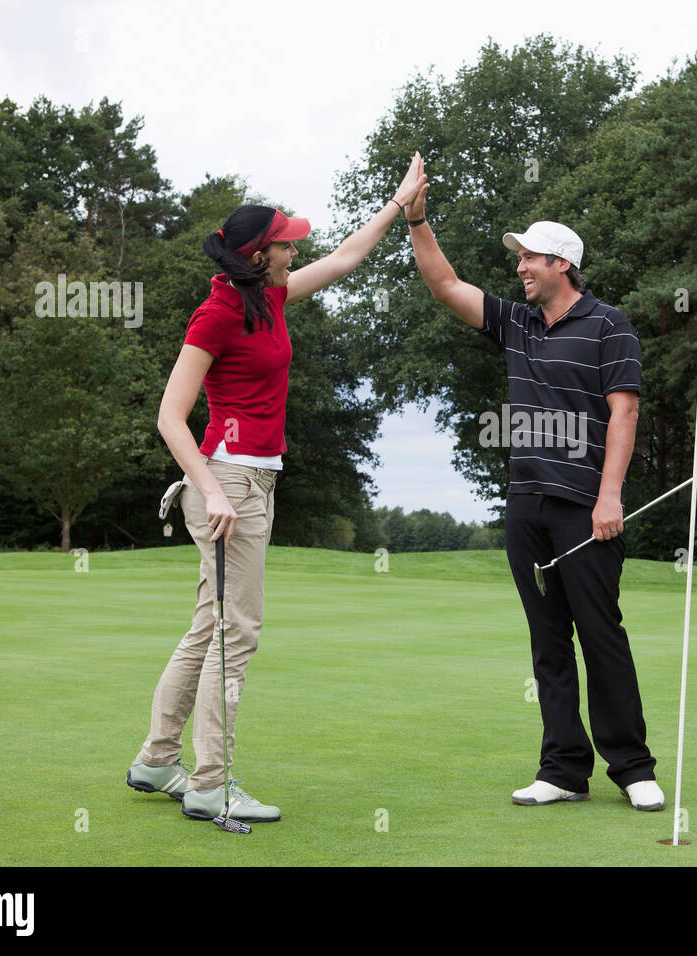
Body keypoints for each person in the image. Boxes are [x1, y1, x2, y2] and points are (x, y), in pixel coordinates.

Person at [127, 154, 428, 823]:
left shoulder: (269, 298)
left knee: (210, 626)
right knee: (238, 632)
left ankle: (156, 759)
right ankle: (210, 782)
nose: (297, 247)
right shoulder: (216, 315)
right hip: (227, 480)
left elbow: (348, 257)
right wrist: (212, 491)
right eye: (287, 241)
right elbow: (170, 417)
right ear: (261, 254)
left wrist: (399, 202)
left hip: (252, 475)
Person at [406, 168, 664, 811]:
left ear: (562, 263)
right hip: (526, 503)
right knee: (547, 640)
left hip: (586, 505)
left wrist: (610, 497)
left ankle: (633, 768)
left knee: (601, 635)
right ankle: (563, 770)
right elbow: (444, 284)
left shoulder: (609, 326)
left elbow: (624, 413)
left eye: (528, 257)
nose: (519, 266)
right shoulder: (517, 324)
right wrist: (416, 219)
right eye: (519, 257)